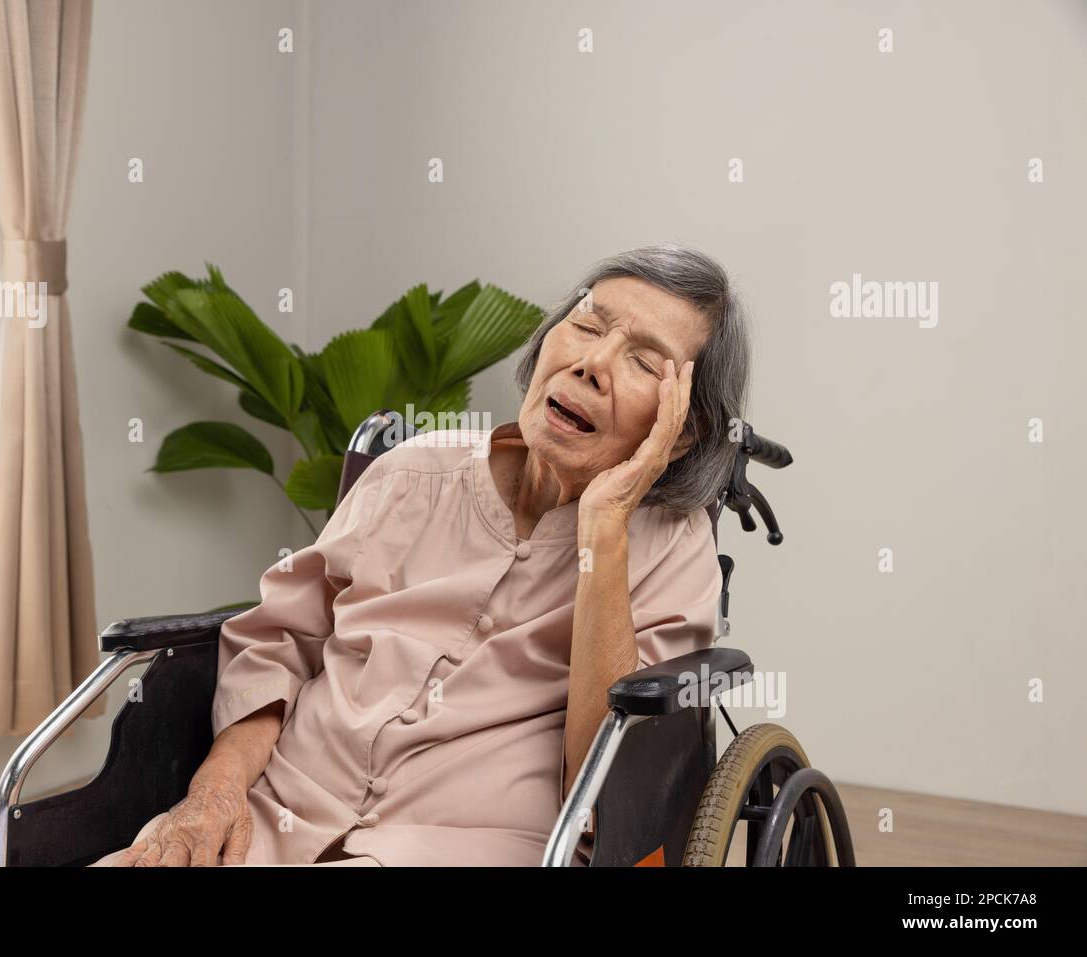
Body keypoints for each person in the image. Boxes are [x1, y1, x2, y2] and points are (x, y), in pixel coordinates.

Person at [93, 243, 750, 867]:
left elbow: (608, 797)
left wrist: (604, 529)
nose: (592, 364)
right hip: (273, 823)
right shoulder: (411, 474)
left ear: (684, 428)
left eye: (643, 361)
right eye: (586, 325)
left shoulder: (672, 550)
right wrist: (215, 794)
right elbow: (278, 644)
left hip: (466, 847)